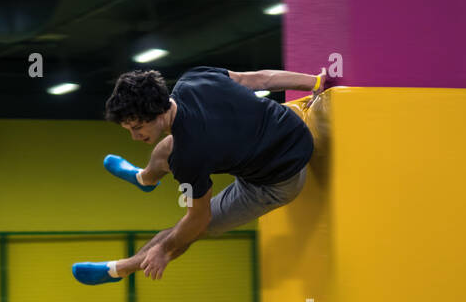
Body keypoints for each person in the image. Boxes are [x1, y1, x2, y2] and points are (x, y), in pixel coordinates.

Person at [72, 66, 326, 284]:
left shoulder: (189, 157)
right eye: (129, 129)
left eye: (138, 128)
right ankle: (145, 178)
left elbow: (198, 219)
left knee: (187, 231)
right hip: (291, 129)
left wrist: (164, 248)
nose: (135, 137)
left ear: (159, 111)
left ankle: (120, 269)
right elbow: (258, 79)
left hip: (277, 181)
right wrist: (313, 81)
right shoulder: (194, 80)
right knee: (167, 148)